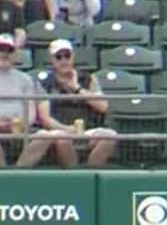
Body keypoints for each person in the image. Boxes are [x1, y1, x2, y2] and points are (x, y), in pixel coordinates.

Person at [0, 32, 61, 167]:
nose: (5, 53)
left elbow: (31, 112)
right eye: (1, 49)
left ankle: (18, 171)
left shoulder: (25, 79)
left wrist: (22, 125)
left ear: (15, 53)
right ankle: (2, 174)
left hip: (20, 130)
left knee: (45, 135)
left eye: (9, 50)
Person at [39, 38, 118, 167]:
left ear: (73, 57)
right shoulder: (46, 83)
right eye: (59, 57)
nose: (64, 60)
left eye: (67, 56)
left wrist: (77, 88)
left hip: (88, 129)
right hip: (61, 130)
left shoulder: (88, 78)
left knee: (110, 136)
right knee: (62, 139)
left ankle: (91, 174)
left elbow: (104, 107)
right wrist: (66, 129)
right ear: (52, 60)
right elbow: (45, 118)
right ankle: (74, 176)